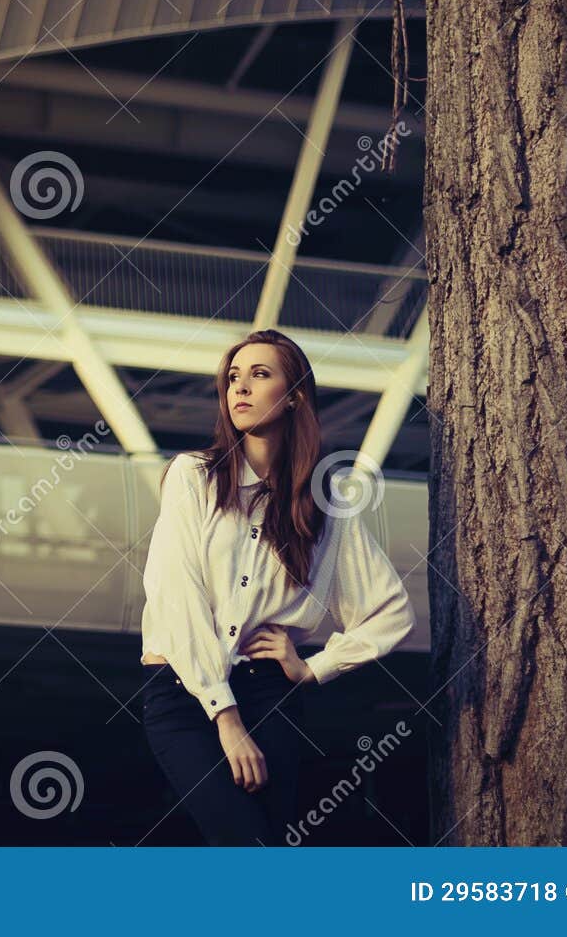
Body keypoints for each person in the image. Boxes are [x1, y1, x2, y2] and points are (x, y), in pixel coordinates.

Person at [138, 328, 415, 845]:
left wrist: (315, 666)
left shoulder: (325, 505)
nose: (239, 388)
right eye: (232, 378)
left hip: (269, 695)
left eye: (259, 375)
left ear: (294, 397)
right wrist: (226, 717)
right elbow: (177, 596)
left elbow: (390, 612)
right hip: (185, 694)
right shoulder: (193, 476)